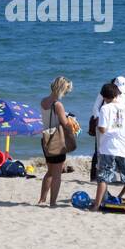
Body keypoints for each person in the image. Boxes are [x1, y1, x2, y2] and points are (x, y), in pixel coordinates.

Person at [92, 82, 125, 210]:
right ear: (117, 94)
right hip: (124, 147)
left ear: (105, 97)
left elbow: (102, 129)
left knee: (103, 177)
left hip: (108, 147)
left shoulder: (105, 108)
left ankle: (96, 205)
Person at [39, 76, 73, 207]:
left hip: (45, 139)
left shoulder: (43, 101)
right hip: (56, 140)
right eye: (66, 91)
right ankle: (53, 202)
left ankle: (42, 199)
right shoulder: (58, 104)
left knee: (50, 171)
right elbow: (64, 123)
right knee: (57, 174)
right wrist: (72, 123)